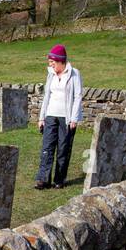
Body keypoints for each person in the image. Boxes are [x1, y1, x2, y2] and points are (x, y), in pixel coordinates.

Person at [35, 43, 82, 190]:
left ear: (60, 60)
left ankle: (59, 179)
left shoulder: (74, 73)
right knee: (47, 148)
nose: (50, 65)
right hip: (50, 115)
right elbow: (47, 95)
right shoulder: (51, 74)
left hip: (66, 118)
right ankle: (43, 179)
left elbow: (78, 96)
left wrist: (74, 118)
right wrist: (41, 117)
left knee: (63, 149)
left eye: (52, 62)